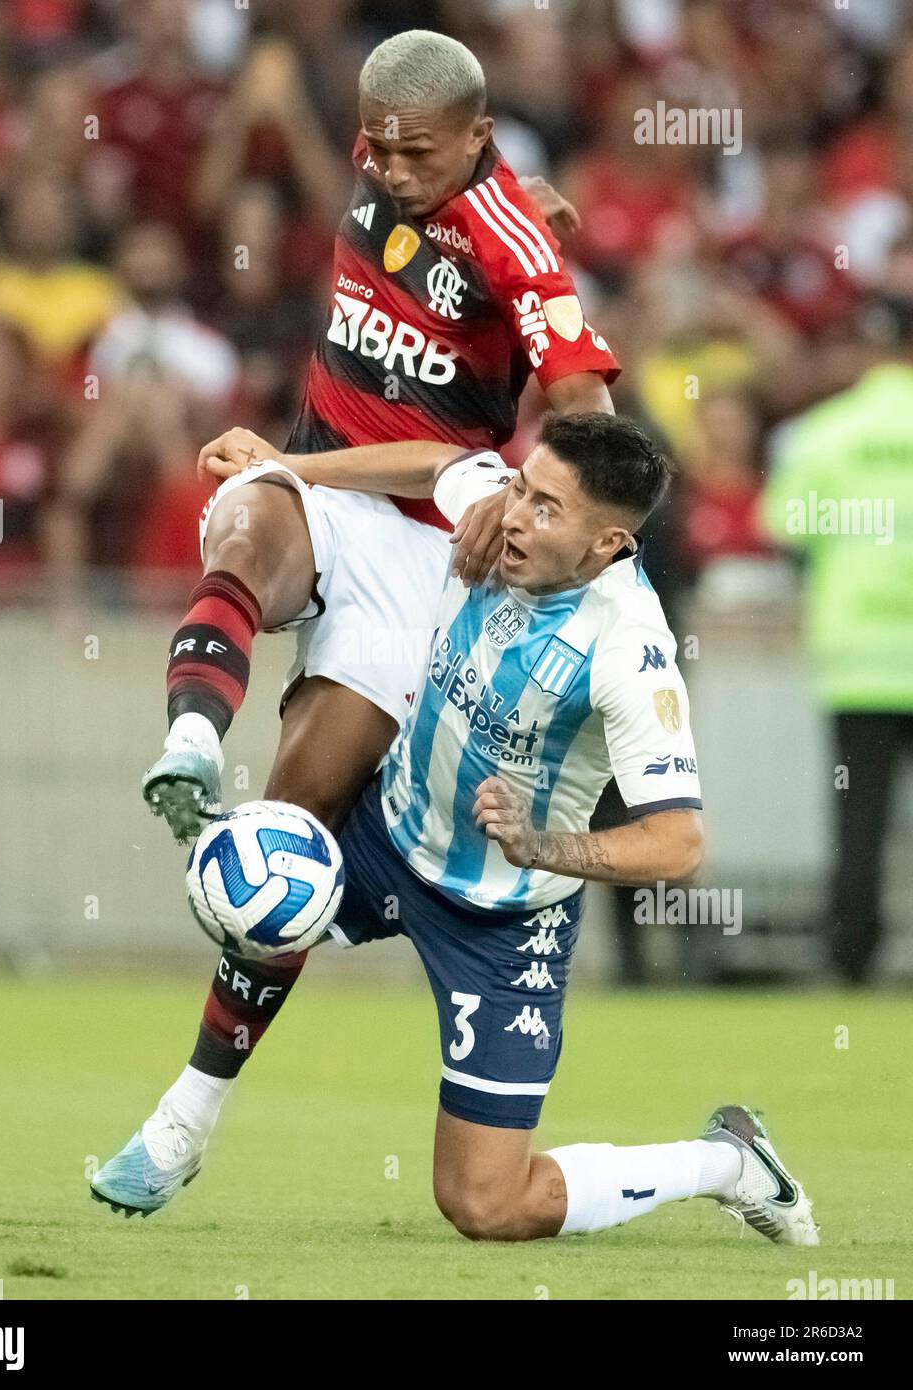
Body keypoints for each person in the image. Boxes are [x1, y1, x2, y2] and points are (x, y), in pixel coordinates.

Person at [93, 413, 818, 1247]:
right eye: (521, 486)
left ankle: (729, 1162)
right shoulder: (493, 514)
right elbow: (446, 459)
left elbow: (681, 842)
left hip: (505, 917)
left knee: (486, 1205)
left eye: (546, 509)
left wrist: (545, 847)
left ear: (607, 544)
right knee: (263, 894)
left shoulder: (629, 650)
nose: (512, 515)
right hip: (390, 833)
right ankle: (183, 1122)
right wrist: (291, 463)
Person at [131, 30, 617, 1129]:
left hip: (418, 540)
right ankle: (189, 742)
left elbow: (581, 399)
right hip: (320, 492)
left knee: (293, 822)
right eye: (378, 151)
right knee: (246, 523)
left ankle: (189, 1111)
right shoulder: (394, 154)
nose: (389, 171)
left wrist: (587, 518)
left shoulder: (518, 248)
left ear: (478, 136)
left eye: (417, 157)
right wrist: (480, 194)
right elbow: (433, 203)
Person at [762, 286, 913, 983]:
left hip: (860, 655)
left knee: (861, 820)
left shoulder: (827, 432)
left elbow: (782, 523)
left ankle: (852, 956)